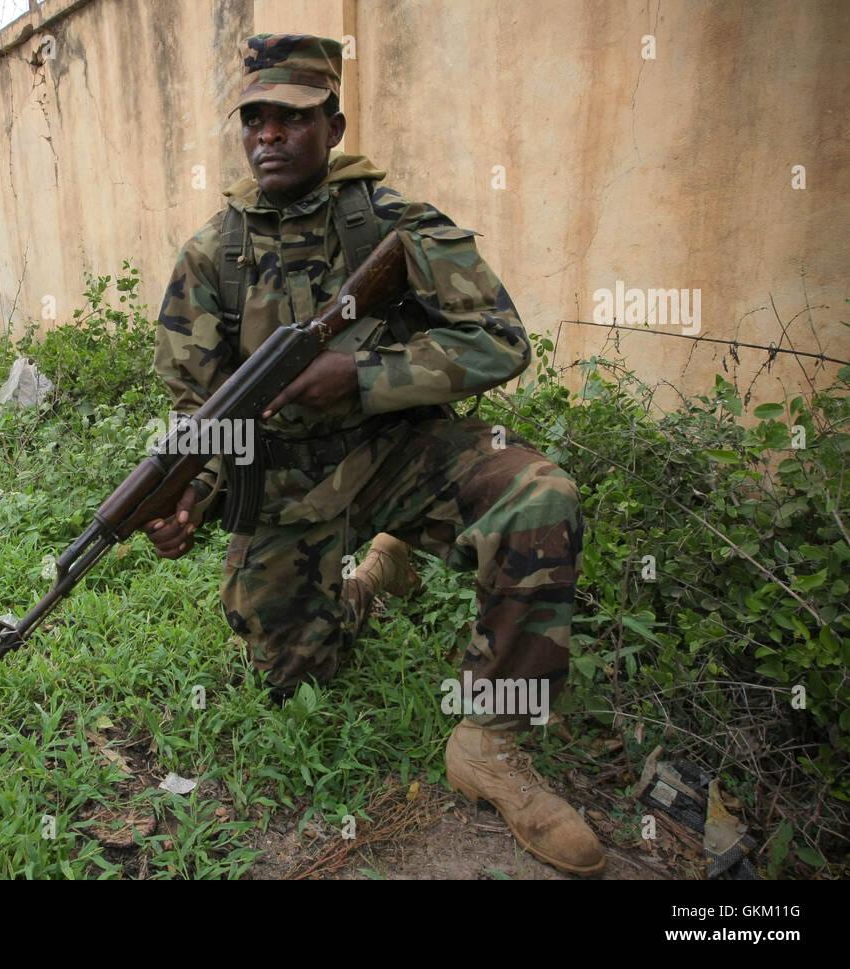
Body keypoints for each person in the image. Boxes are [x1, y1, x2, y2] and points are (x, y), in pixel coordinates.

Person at [147, 33, 603, 876]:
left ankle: (489, 741)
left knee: (537, 493)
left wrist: (361, 376)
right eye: (255, 118)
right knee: (290, 675)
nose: (268, 135)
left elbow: (501, 341)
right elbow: (197, 408)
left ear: (333, 122)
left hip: (401, 451)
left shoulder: (395, 226)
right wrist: (191, 494)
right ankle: (369, 580)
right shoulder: (214, 254)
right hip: (283, 480)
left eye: (291, 117)